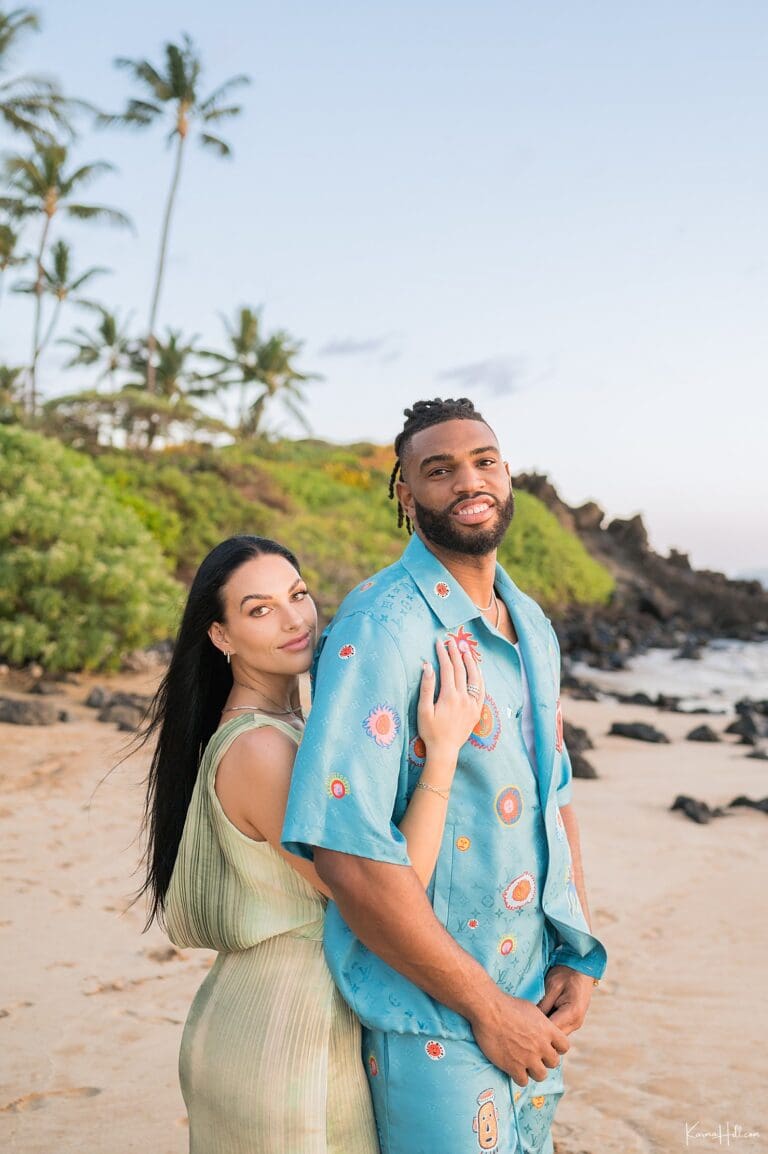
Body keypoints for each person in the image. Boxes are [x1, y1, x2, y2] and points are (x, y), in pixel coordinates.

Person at [282, 398, 608, 1154]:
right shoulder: (382, 624)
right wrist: (487, 1009)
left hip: (534, 1004)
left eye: (484, 461)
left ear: (507, 473)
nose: (469, 481)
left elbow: (555, 800)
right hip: (432, 1016)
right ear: (405, 494)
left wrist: (577, 953)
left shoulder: (530, 623)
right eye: (440, 469)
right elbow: (347, 853)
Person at [138, 533, 485, 1154]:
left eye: (297, 594)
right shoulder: (260, 749)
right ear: (220, 636)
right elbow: (387, 891)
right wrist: (444, 752)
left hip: (281, 1012)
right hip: (284, 1030)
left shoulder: (292, 730)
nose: (295, 618)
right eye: (259, 608)